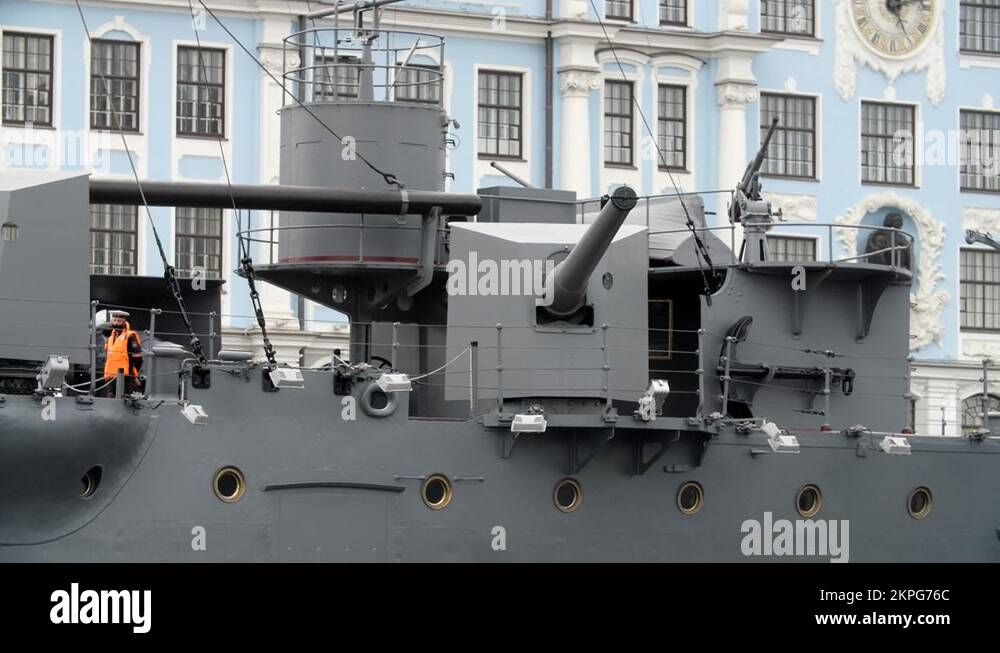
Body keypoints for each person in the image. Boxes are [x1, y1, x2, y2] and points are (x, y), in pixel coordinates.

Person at [101, 310, 143, 396]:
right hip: (111, 376)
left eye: (119, 321)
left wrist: (134, 374)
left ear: (124, 322)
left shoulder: (130, 337)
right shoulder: (111, 338)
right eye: (114, 320)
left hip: (125, 377)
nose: (116, 323)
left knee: (123, 399)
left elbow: (138, 358)